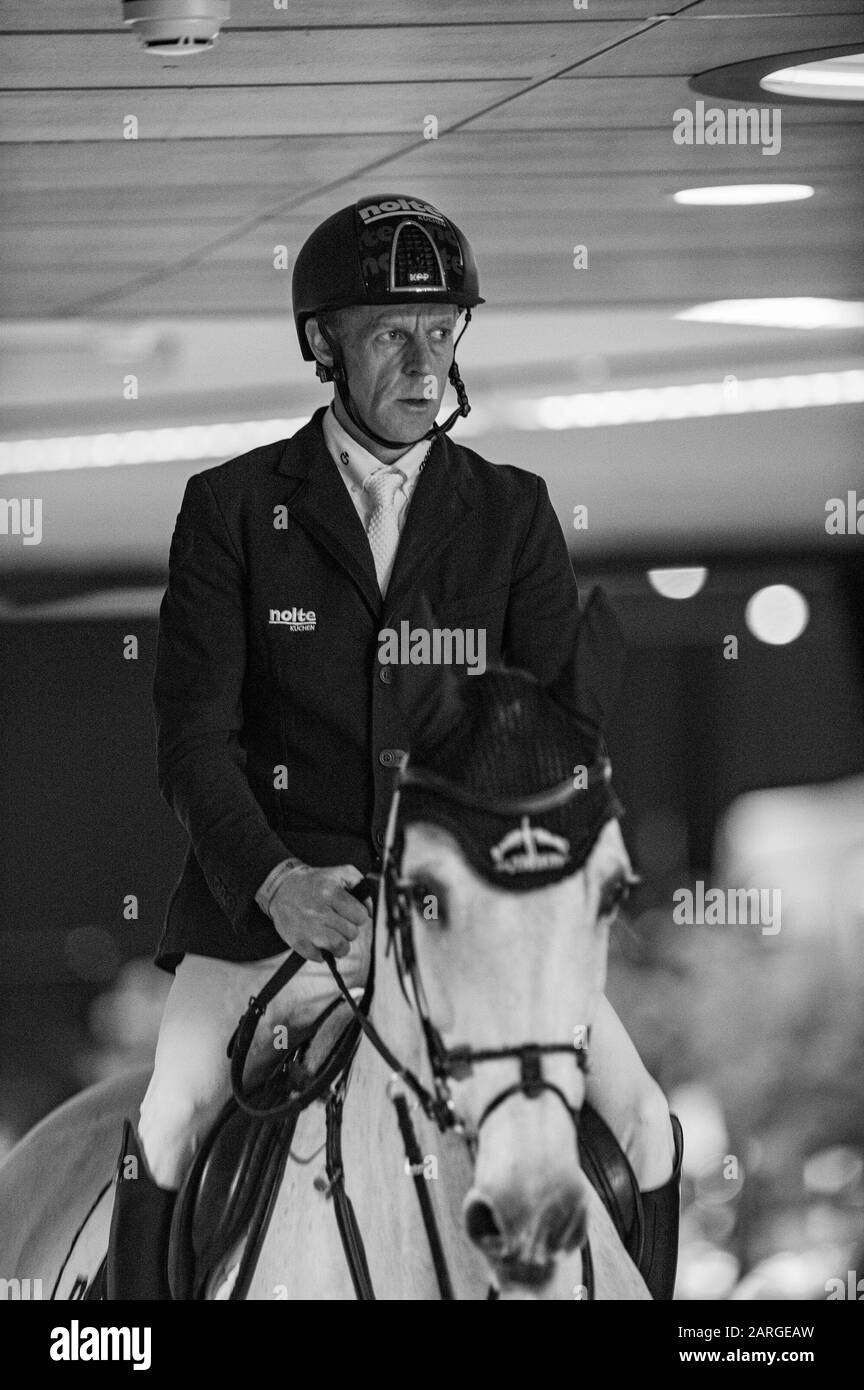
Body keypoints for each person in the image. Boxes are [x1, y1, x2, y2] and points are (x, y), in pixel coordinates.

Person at [106, 192, 681, 1300]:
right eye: (390, 336)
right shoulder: (230, 510)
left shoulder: (511, 513)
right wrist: (276, 882)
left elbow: (556, 737)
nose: (424, 363)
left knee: (647, 1125)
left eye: (442, 332)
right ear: (324, 345)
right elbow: (194, 742)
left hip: (468, 926)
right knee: (169, 1118)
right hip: (269, 922)